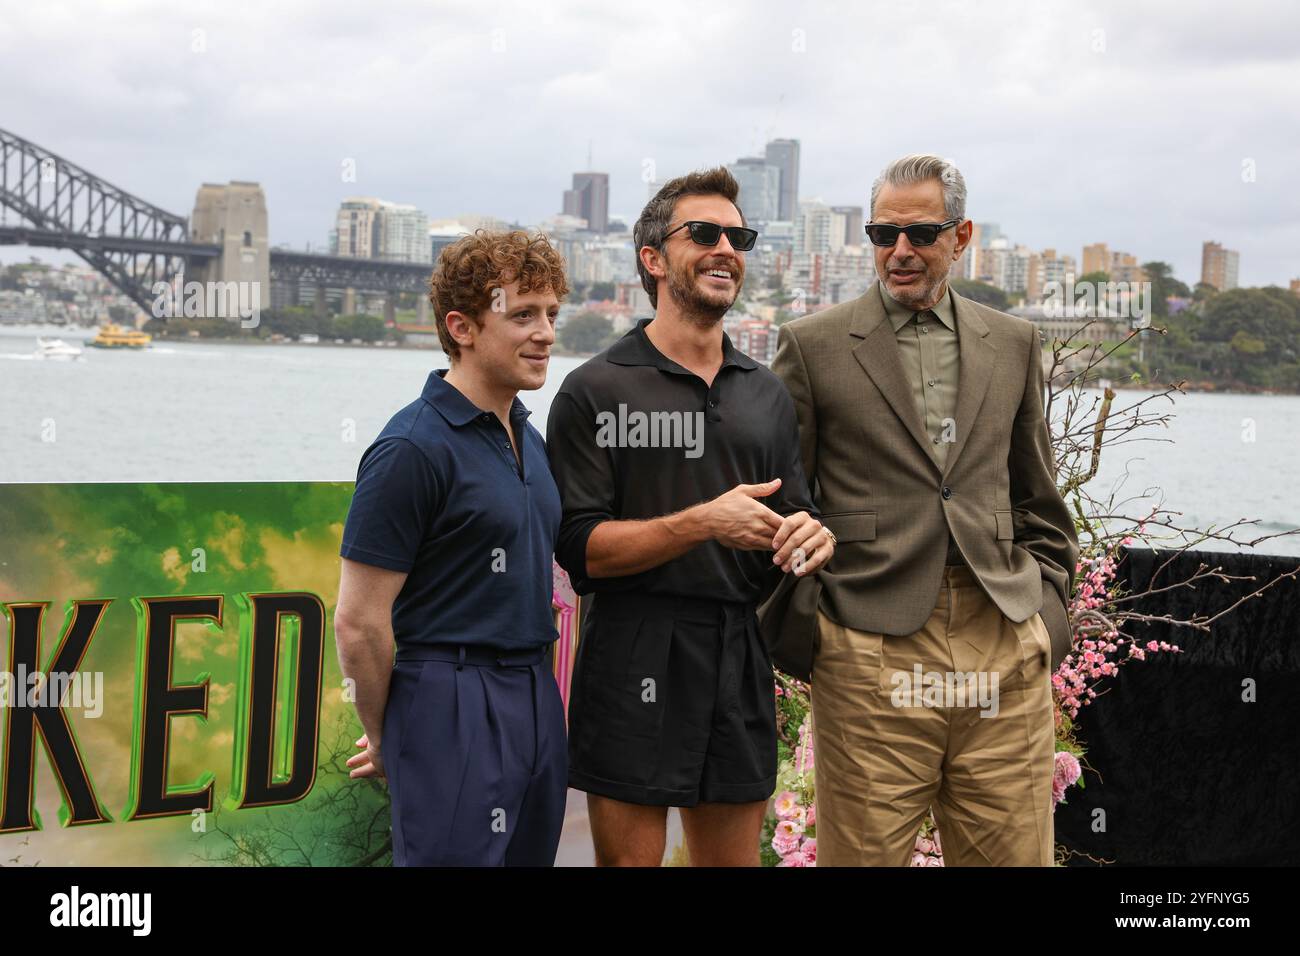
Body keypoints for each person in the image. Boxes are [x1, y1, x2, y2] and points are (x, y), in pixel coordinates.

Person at [767, 154, 1079, 866]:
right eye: (883, 234)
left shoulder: (1014, 342)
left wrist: (1044, 625)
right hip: (869, 650)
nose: (899, 252)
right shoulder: (812, 346)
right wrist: (817, 634)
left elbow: (1039, 497)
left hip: (1002, 641)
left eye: (920, 234)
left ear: (962, 234)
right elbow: (785, 499)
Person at [546, 167, 834, 866]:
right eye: (703, 233)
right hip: (630, 652)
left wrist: (813, 535)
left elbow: (793, 516)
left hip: (738, 652)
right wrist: (702, 522)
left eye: (739, 237)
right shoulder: (595, 390)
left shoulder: (765, 392)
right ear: (652, 259)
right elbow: (580, 551)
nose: (726, 249)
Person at [334, 230, 570, 866]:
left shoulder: (529, 438)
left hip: (535, 691)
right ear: (462, 327)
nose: (546, 332)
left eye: (551, 313)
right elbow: (358, 622)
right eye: (522, 314)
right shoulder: (410, 449)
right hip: (450, 699)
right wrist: (389, 736)